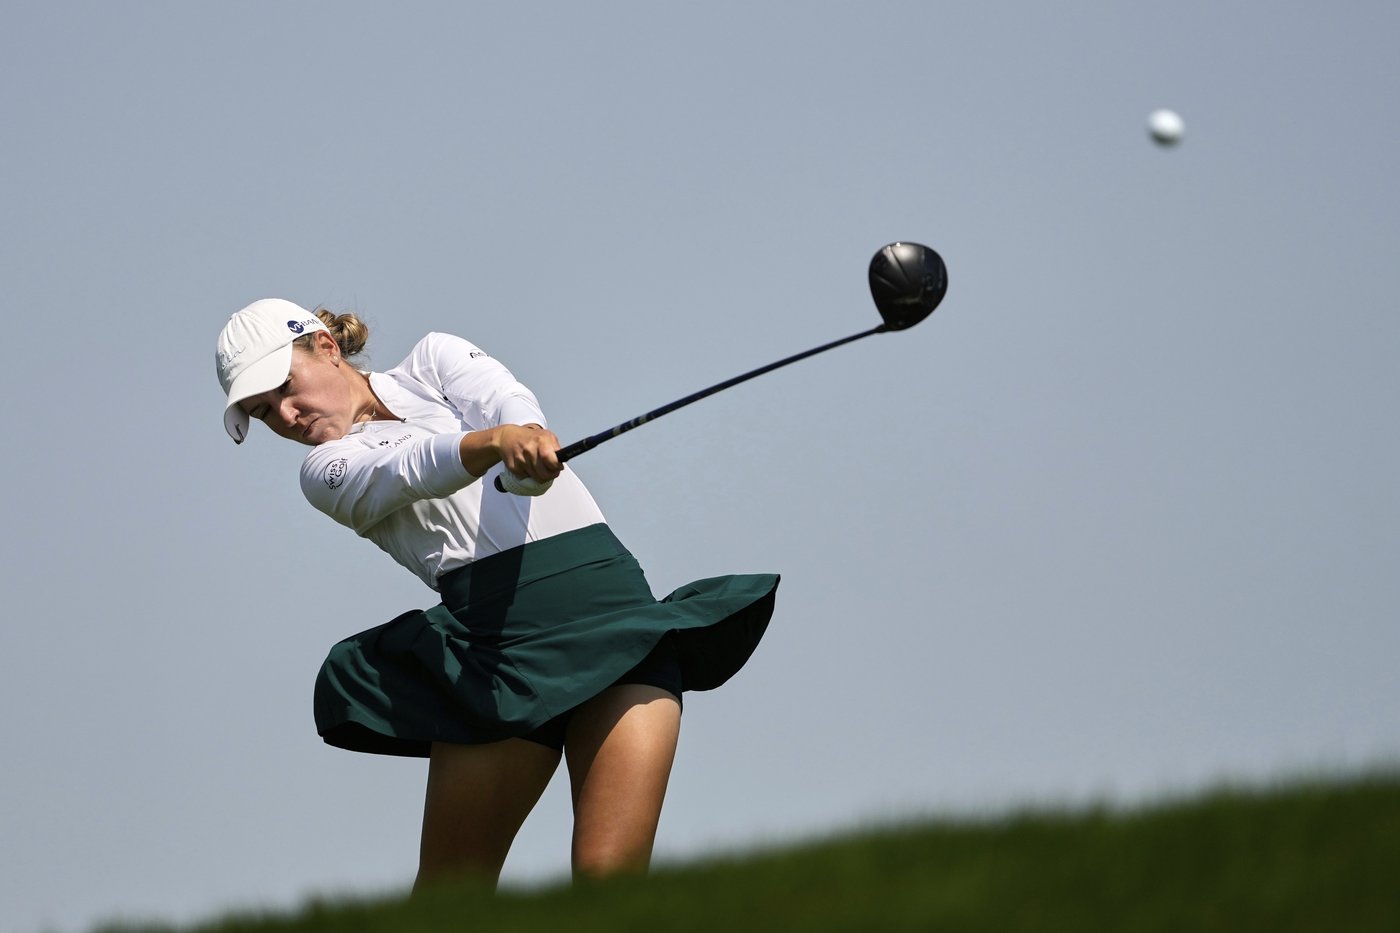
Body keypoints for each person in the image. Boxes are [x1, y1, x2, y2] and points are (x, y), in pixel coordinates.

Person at [215, 298, 778, 891]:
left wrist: (527, 436)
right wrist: (497, 443)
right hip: (499, 661)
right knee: (450, 906)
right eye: (263, 411)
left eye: (283, 387)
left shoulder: (433, 359)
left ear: (326, 348)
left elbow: (503, 397)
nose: (285, 413)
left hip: (620, 621)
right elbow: (413, 467)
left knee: (610, 893)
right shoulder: (325, 471)